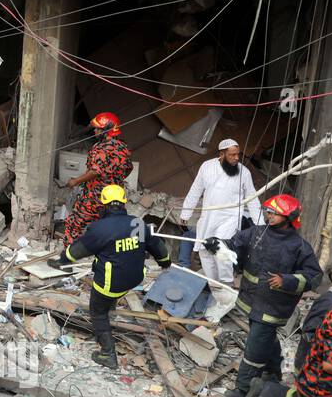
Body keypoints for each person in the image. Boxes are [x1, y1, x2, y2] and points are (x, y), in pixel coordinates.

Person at [211, 194, 323, 397]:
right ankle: (273, 373)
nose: (268, 215)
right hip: (251, 300)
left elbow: (314, 277)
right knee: (264, 338)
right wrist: (218, 246)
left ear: (289, 217)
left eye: (274, 213)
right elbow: (234, 244)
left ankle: (243, 389)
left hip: (273, 307)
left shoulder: (299, 246)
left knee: (254, 348)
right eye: (268, 211)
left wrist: (286, 280)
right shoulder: (256, 233)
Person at [49, 185, 170, 369]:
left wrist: (62, 260)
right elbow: (158, 247)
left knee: (97, 312)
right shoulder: (138, 222)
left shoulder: (100, 228)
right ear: (123, 203)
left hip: (111, 283)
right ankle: (112, 303)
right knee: (114, 280)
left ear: (104, 205)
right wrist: (165, 262)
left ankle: (108, 354)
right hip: (135, 278)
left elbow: (78, 250)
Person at [180, 138, 261, 285]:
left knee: (221, 250)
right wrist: (186, 212)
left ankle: (226, 283)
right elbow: (196, 189)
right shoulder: (207, 166)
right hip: (208, 217)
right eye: (232, 155)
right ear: (222, 154)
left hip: (229, 219)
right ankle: (213, 284)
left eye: (238, 154)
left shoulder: (244, 172)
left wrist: (259, 223)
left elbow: (253, 198)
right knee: (205, 251)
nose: (237, 158)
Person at [62, 111, 133, 244]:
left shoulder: (100, 148)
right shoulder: (124, 148)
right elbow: (129, 168)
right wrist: (114, 179)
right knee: (110, 228)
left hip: (95, 197)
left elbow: (95, 171)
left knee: (74, 225)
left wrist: (75, 181)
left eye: (97, 128)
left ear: (106, 130)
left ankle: (68, 256)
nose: (95, 131)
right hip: (115, 197)